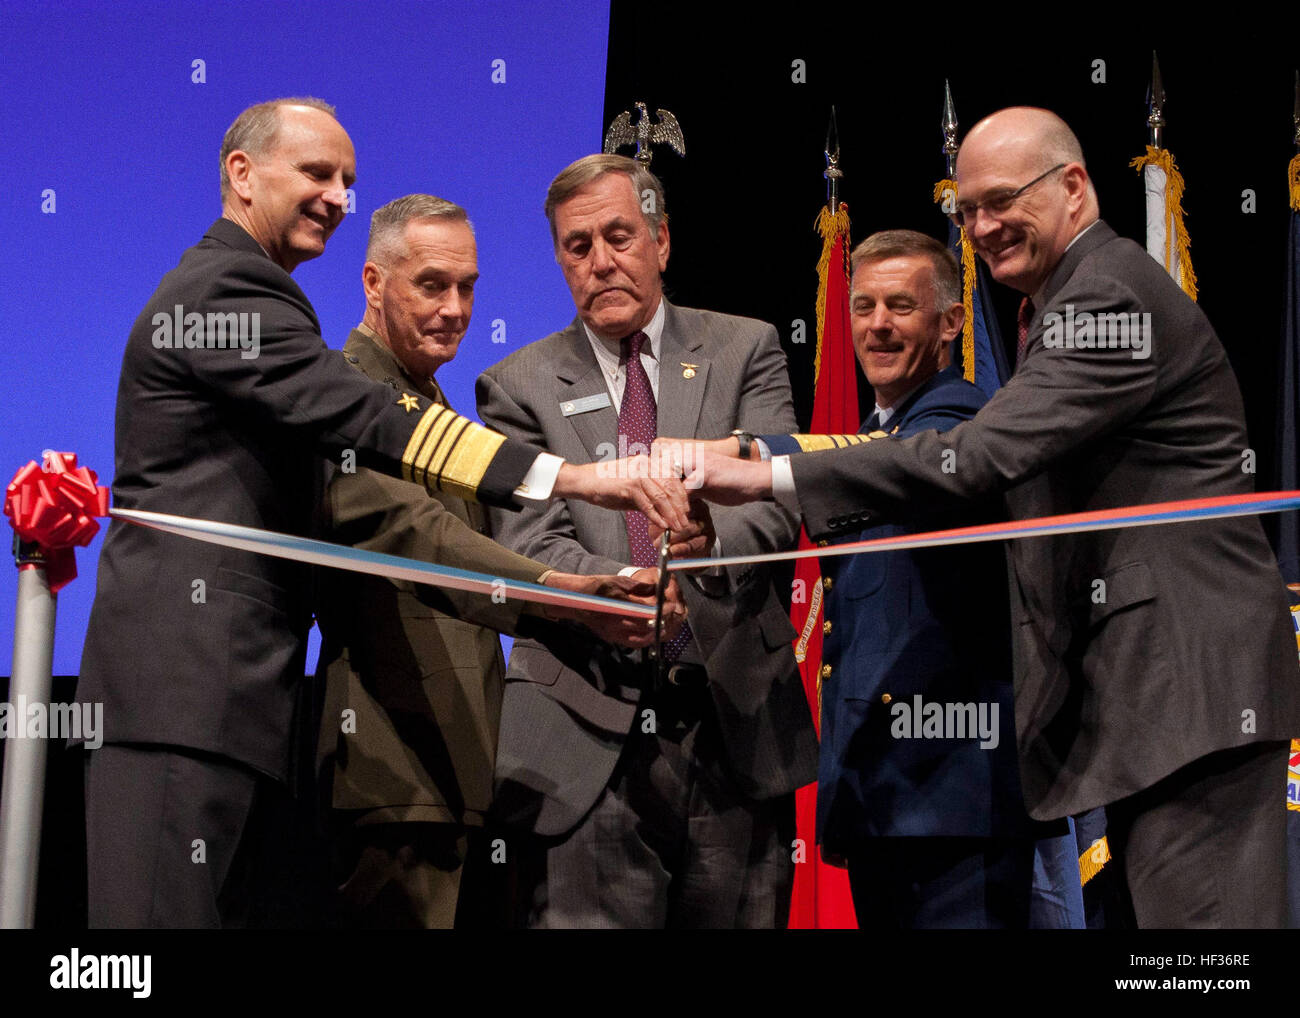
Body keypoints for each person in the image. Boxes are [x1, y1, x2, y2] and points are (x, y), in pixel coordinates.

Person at [654, 108, 1300, 928]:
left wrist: (762, 470)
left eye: (1002, 200)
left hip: (1188, 689)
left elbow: (977, 456)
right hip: (1154, 702)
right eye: (968, 211)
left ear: (1073, 186)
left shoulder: (1107, 293)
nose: (984, 227)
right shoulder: (1062, 300)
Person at [76, 99, 680, 928]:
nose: (336, 196)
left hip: (239, 704)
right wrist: (568, 480)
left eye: (347, 181)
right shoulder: (228, 289)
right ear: (241, 175)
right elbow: (389, 473)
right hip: (189, 697)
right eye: (316, 173)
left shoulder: (269, 302)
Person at [475, 154, 817, 928]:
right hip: (584, 729)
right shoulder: (516, 385)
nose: (600, 261)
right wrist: (632, 587)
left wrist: (699, 549)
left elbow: (773, 499)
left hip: (734, 727)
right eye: (577, 245)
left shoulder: (748, 348)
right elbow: (532, 541)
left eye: (619, 236)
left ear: (661, 242)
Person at [314, 194, 669, 928]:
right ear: (374, 284)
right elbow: (425, 541)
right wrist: (564, 589)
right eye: (432, 285)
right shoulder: (346, 398)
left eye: (468, 287)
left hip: (458, 771)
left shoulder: (431, 405)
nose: (455, 307)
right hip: (391, 770)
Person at [758, 228, 1068, 927]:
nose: (877, 325)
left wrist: (747, 459)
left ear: (952, 322)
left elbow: (903, 467)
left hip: (957, 806)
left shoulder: (961, 420)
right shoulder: (875, 438)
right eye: (863, 306)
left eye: (901, 305)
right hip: (888, 804)